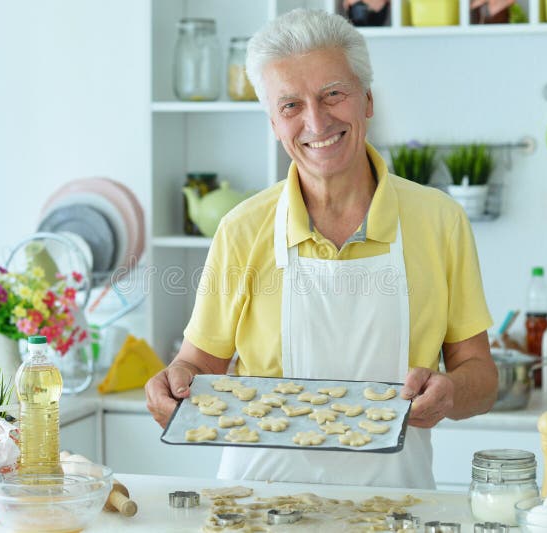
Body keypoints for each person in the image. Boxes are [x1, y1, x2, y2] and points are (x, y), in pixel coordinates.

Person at [146, 8, 497, 489]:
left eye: (333, 94)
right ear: (273, 122)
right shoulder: (242, 229)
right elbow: (199, 367)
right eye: (290, 106)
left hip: (394, 508)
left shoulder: (439, 222)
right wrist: (171, 383)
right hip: (257, 506)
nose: (316, 120)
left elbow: (481, 376)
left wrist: (453, 391)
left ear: (367, 99)